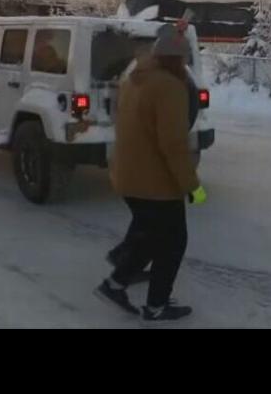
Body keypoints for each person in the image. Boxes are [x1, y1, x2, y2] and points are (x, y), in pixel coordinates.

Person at [94, 24, 207, 322]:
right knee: (173, 241)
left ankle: (115, 283)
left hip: (128, 175)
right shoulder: (170, 86)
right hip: (154, 182)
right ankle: (156, 305)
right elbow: (173, 144)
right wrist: (192, 186)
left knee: (151, 236)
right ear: (177, 59)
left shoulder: (136, 78)